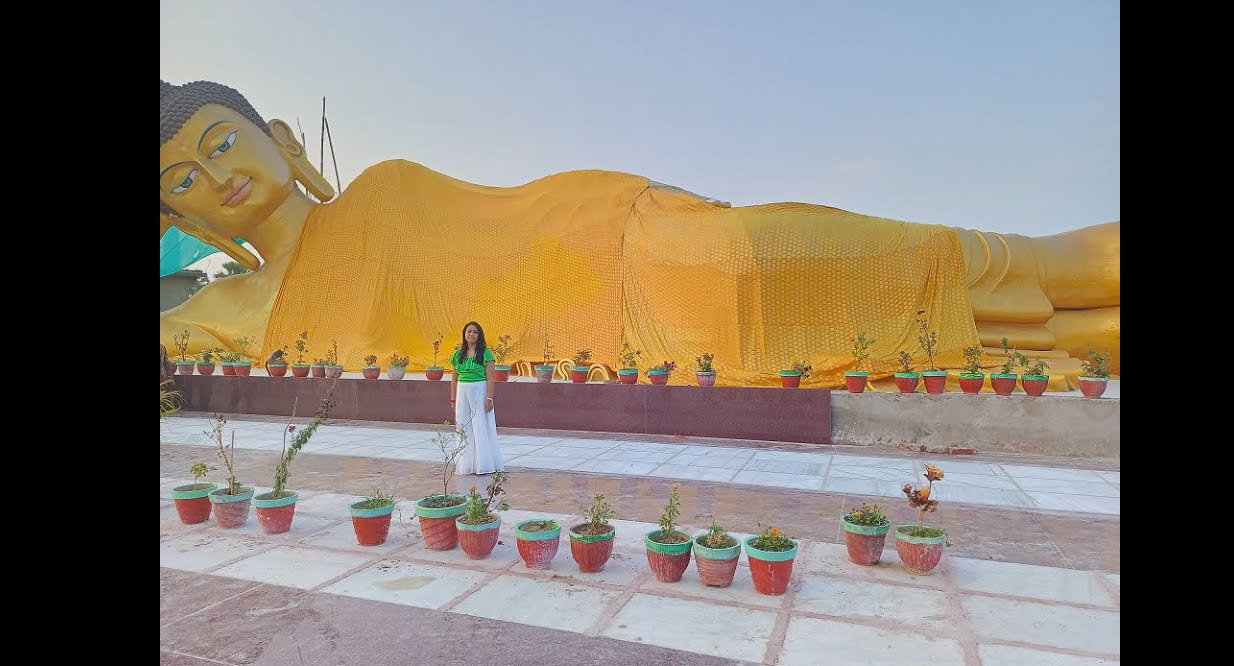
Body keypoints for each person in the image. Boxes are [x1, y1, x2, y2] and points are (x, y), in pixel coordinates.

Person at [159, 79, 1119, 386]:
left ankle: (1068, 261)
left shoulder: (384, 189)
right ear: (178, 215)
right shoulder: (223, 310)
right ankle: (1083, 334)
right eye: (184, 180)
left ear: (280, 139)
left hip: (624, 247)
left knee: (810, 260)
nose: (217, 176)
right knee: (895, 335)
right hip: (604, 350)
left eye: (220, 142)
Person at [449, 322, 503, 476]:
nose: (471, 334)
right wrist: (453, 399)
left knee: (480, 425)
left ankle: (483, 464)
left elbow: (491, 378)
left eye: (474, 332)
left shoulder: (486, 354)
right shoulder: (457, 355)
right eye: (468, 332)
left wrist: (489, 398)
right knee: (464, 426)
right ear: (464, 334)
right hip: (462, 393)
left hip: (479, 391)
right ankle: (466, 464)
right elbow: (454, 379)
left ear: (479, 335)